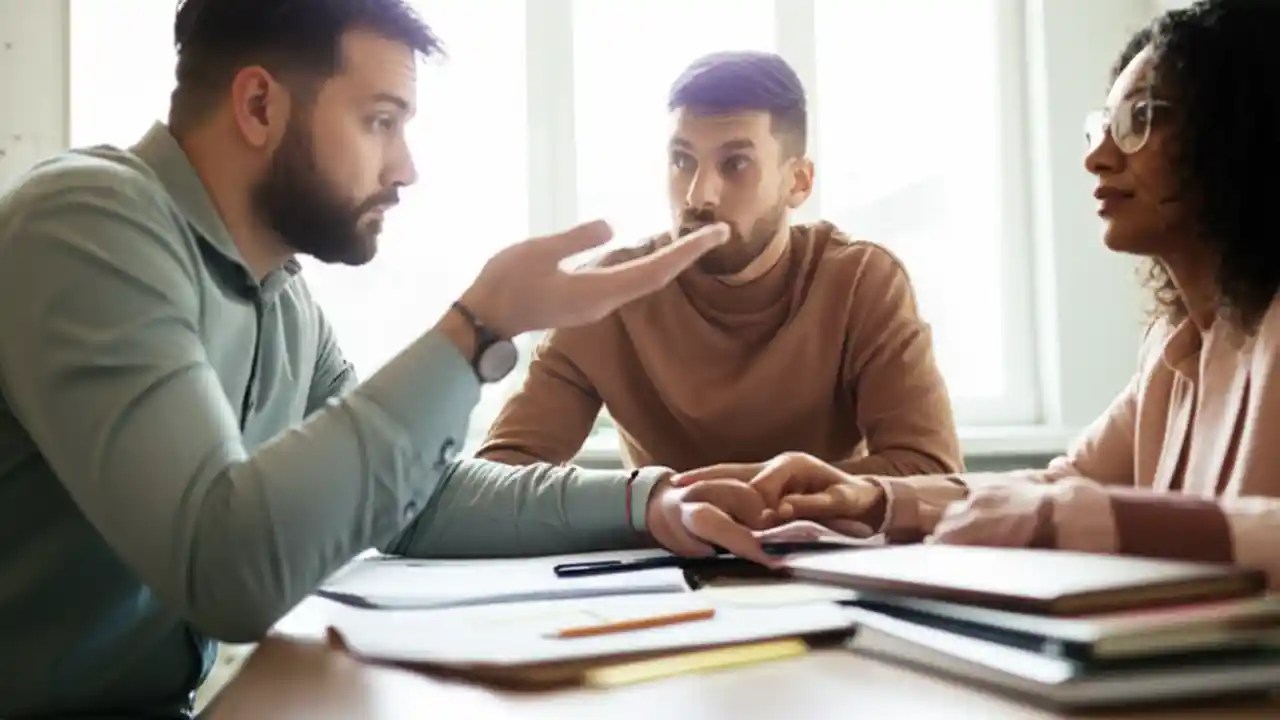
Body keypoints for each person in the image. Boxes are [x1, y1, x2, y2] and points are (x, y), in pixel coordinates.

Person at [0, 1, 779, 716]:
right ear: (260, 106)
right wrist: (478, 327)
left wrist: (649, 503)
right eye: (380, 121)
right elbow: (225, 571)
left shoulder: (283, 299)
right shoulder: (85, 224)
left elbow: (416, 501)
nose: (405, 168)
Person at [674, 0, 1280, 585]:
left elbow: (1073, 505)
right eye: (1104, 126)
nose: (1096, 157)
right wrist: (871, 499)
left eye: (1140, 119)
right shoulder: (1172, 348)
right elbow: (1063, 486)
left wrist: (1093, 518)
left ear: (1239, 128)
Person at [478, 51, 962, 479]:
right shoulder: (607, 295)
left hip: (826, 548)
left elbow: (932, 473)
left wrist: (755, 495)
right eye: (682, 160)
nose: (698, 196)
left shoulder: (860, 282)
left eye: (735, 164)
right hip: (660, 550)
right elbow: (497, 479)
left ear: (798, 182)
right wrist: (642, 503)